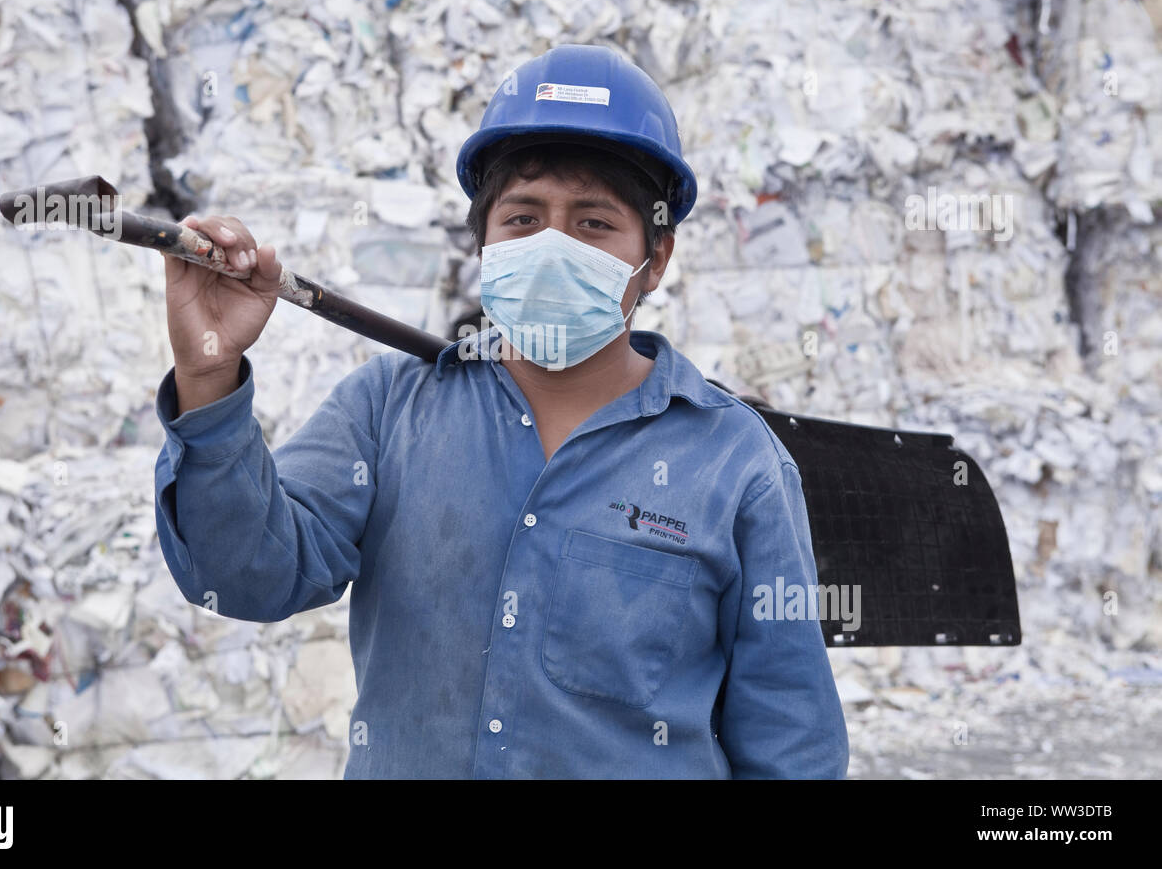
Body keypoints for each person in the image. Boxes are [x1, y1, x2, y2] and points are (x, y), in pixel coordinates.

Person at [153, 43, 849, 778]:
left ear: (657, 257)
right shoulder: (389, 408)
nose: (552, 246)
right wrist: (208, 372)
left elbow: (790, 739)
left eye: (593, 225)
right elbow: (244, 574)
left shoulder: (735, 461)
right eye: (522, 218)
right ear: (482, 241)